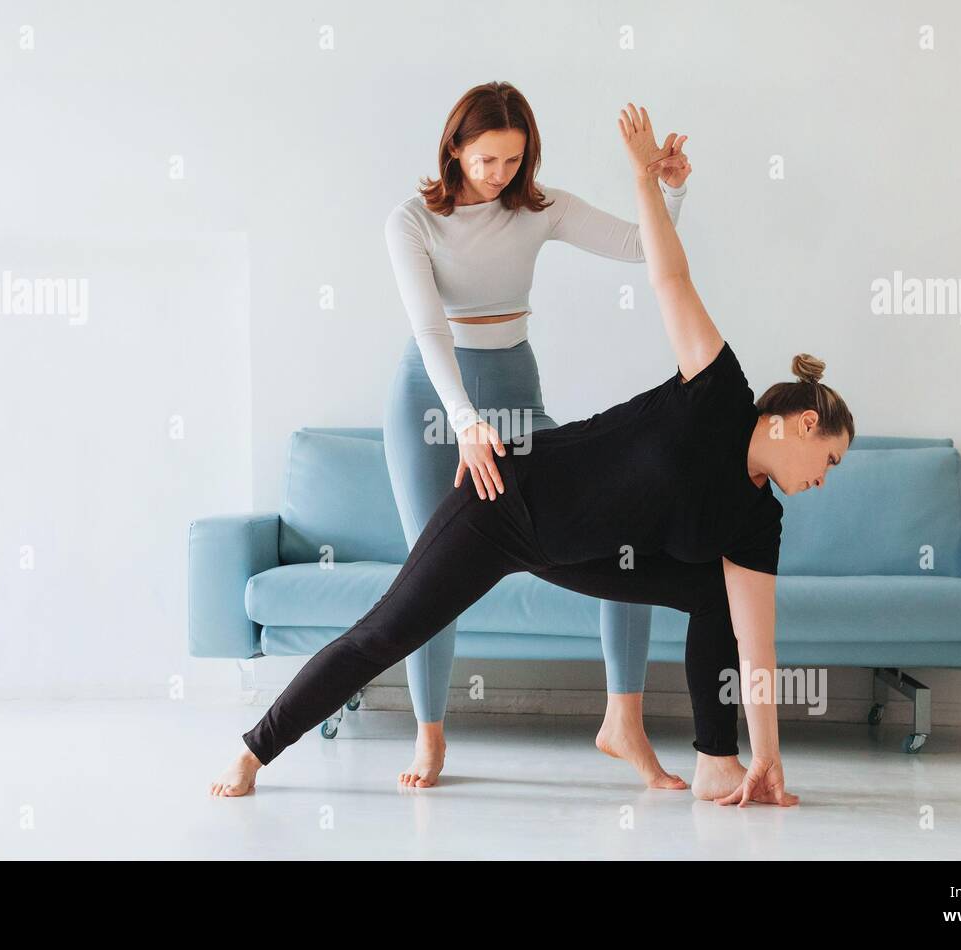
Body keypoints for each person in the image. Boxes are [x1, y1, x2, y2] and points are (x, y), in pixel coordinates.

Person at [212, 103, 855, 806]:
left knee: (714, 595)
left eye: (513, 160)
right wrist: (647, 177)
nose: (825, 480)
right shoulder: (718, 390)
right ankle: (255, 749)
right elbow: (668, 276)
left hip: (578, 549)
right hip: (507, 501)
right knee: (386, 632)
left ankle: (715, 761)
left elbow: (757, 647)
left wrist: (769, 759)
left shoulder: (759, 519)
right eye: (830, 460)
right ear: (795, 423)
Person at [383, 80, 692, 788]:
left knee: (620, 537)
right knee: (431, 573)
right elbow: (431, 331)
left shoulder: (538, 206)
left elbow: (644, 248)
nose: (500, 176)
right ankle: (430, 736)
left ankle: (625, 723)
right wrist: (464, 422)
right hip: (432, 398)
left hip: (516, 389)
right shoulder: (411, 221)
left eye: (514, 161)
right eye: (487, 159)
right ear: (455, 148)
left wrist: (665, 190)